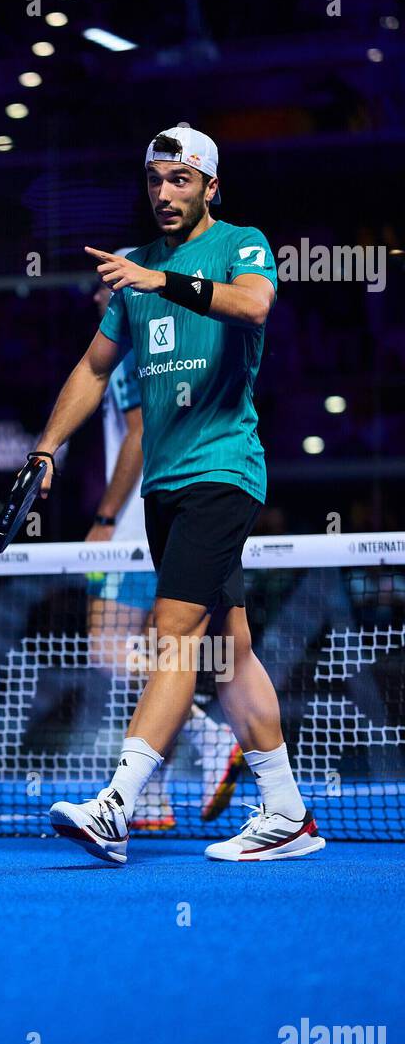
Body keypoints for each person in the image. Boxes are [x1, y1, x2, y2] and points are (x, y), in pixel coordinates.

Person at [35, 124, 325, 864]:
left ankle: (117, 805)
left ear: (209, 187)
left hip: (222, 469)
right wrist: (46, 447)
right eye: (155, 181)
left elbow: (255, 306)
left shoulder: (238, 243)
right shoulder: (133, 273)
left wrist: (164, 280)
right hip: (165, 487)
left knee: (173, 633)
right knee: (229, 653)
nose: (165, 194)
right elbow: (95, 370)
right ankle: (288, 813)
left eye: (181, 181)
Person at [82, 265, 243, 833]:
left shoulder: (131, 351)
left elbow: (138, 434)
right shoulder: (159, 346)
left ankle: (204, 731)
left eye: (107, 283)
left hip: (134, 528)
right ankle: (155, 795)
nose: (99, 294)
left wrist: (104, 518)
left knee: (112, 650)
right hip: (163, 518)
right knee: (160, 651)